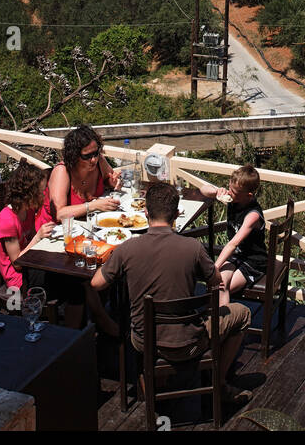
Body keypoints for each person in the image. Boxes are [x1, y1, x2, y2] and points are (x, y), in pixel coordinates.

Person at [91, 182, 252, 407]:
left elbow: (96, 283)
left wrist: (115, 259)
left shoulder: (127, 249)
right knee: (243, 314)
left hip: (143, 341)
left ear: (145, 212)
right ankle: (220, 383)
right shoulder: (193, 248)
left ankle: (156, 377)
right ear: (176, 214)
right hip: (189, 342)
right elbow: (216, 282)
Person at [35, 125, 121, 228]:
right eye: (86, 156)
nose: (93, 159)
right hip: (54, 231)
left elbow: (110, 179)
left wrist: (112, 183)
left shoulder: (99, 161)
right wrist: (93, 206)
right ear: (74, 155)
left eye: (96, 153)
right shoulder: (62, 171)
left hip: (84, 225)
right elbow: (59, 214)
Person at [0, 160, 55, 294]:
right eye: (41, 192)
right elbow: (18, 263)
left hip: (32, 266)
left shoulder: (28, 210)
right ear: (28, 193)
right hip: (18, 281)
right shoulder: (7, 221)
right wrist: (38, 237)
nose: (44, 195)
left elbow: (29, 238)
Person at [213, 164, 267, 304]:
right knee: (220, 283)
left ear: (248, 195)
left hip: (253, 261)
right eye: (229, 188)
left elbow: (233, 243)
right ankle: (219, 320)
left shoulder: (253, 215)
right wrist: (217, 191)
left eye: (234, 192)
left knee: (222, 287)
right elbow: (203, 190)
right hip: (236, 256)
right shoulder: (234, 199)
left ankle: (224, 323)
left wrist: (214, 268)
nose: (230, 193)